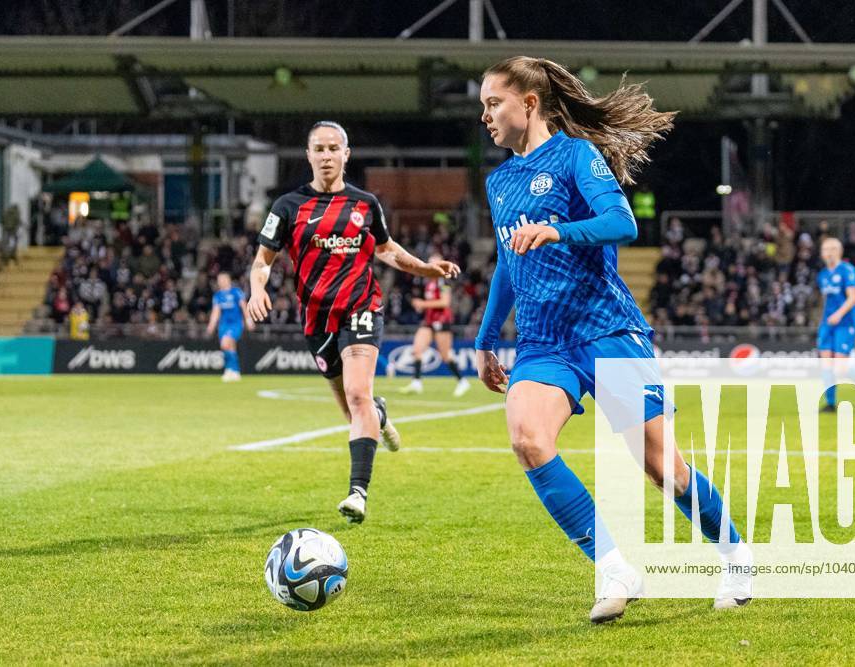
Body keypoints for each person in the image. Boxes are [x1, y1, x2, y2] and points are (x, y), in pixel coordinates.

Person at [474, 56, 751, 624]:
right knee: (528, 438)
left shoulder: (577, 155)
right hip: (542, 342)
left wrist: (558, 229)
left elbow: (622, 222)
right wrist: (484, 339)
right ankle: (613, 567)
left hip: (606, 330)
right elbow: (507, 261)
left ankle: (735, 553)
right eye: (482, 105)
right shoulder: (498, 180)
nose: (485, 115)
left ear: (528, 103)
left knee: (663, 470)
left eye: (493, 102)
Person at [247, 120, 460, 524]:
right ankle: (378, 417)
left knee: (359, 394)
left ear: (347, 154)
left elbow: (387, 250)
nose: (326, 156)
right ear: (308, 155)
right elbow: (263, 261)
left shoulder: (365, 205)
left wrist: (427, 270)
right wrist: (257, 290)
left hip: (362, 307)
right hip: (316, 319)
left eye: (333, 148)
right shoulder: (287, 207)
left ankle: (357, 493)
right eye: (319, 149)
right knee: (353, 410)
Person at [400, 252, 471, 397]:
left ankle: (462, 381)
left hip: (442, 320)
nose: (432, 266)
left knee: (445, 355)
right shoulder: (429, 282)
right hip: (429, 320)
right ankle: (416, 382)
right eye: (431, 263)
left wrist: (423, 304)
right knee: (417, 349)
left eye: (436, 263)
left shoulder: (443, 281)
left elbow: (445, 302)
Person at [816, 237, 855, 411]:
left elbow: (853, 297)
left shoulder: (847, 270)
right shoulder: (822, 275)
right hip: (828, 324)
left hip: (845, 322)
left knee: (840, 369)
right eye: (826, 248)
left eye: (833, 248)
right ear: (821, 253)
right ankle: (831, 403)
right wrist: (823, 320)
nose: (829, 252)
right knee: (826, 364)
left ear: (840, 251)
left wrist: (838, 314)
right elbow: (826, 300)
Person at [205, 272, 253, 382]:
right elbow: (216, 312)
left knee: (225, 343)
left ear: (228, 280)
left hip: (235, 324)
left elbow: (244, 307)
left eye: (223, 279)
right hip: (223, 325)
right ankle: (232, 371)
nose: (221, 281)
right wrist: (211, 325)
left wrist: (249, 320)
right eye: (219, 280)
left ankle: (232, 369)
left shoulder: (236, 292)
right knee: (228, 347)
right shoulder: (218, 296)